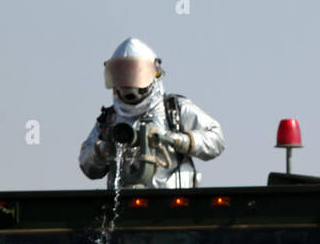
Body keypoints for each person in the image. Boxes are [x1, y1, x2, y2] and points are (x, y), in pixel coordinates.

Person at [78, 37, 224, 189]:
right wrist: (103, 149)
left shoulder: (174, 110)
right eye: (122, 73)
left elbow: (216, 139)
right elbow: (87, 166)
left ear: (154, 74)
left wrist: (180, 141)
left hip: (174, 204)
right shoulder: (109, 119)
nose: (128, 81)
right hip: (124, 205)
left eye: (135, 72)